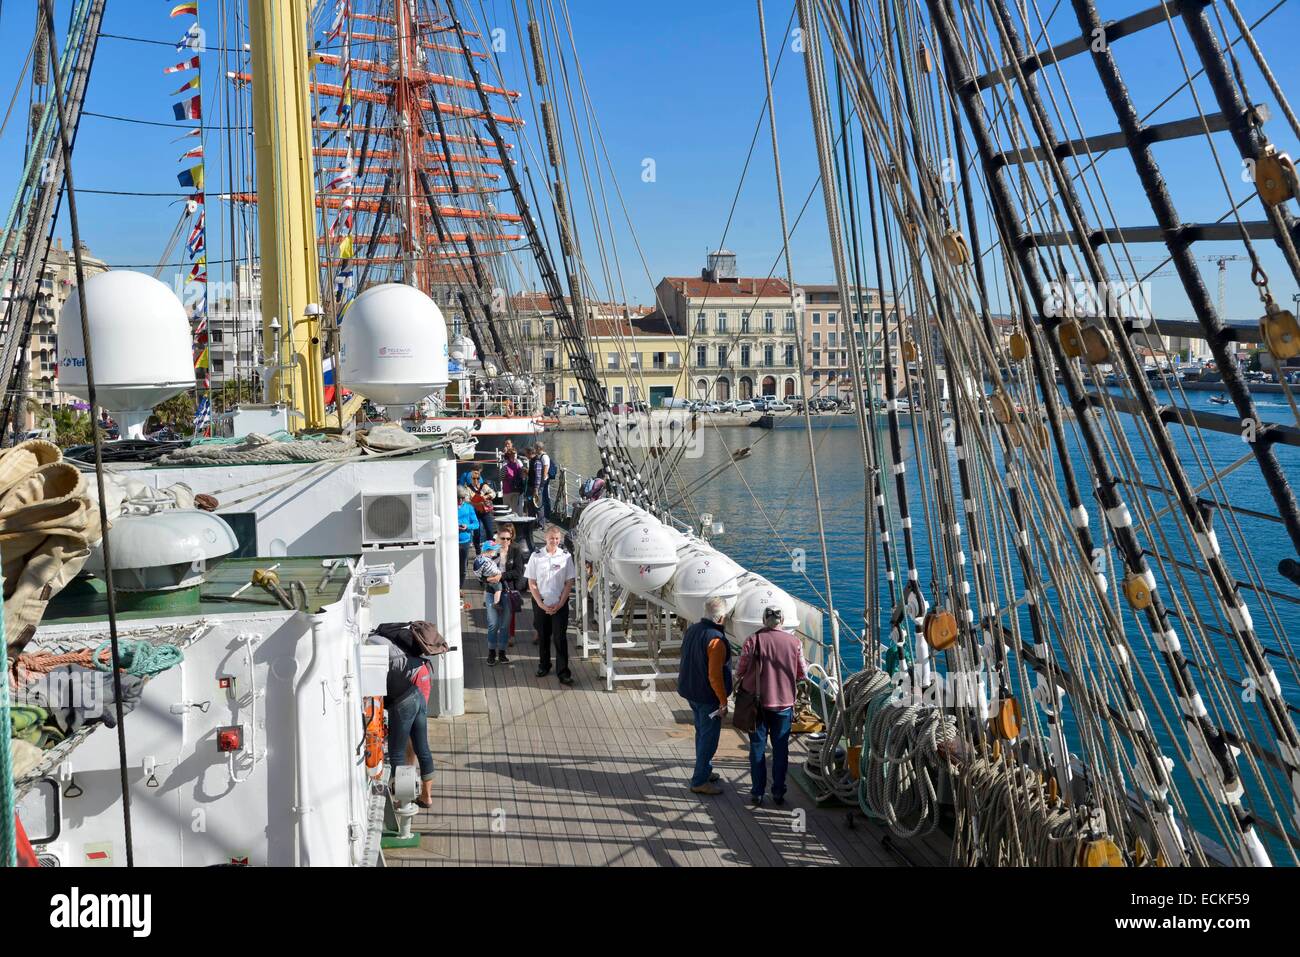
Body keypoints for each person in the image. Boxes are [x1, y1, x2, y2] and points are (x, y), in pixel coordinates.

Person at [734, 606, 807, 807]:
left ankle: (757, 792)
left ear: (764, 620)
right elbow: (803, 673)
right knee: (781, 749)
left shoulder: (753, 640)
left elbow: (740, 668)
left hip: (756, 704)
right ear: (782, 620)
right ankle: (778, 792)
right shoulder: (795, 642)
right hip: (783, 704)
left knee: (757, 748)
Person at [370, 631, 435, 807]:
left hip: (402, 704)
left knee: (396, 752)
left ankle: (403, 801)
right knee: (422, 748)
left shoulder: (369, 672)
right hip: (417, 695)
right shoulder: (382, 662)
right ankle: (426, 796)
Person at [677, 596, 732, 795]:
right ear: (721, 618)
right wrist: (723, 701)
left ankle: (705, 770)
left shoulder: (692, 630)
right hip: (708, 697)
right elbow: (715, 675)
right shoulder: (716, 640)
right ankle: (699, 780)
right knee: (709, 738)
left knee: (701, 733)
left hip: (691, 691)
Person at [525, 524, 576, 684]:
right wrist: (540, 604)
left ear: (560, 540)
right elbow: (531, 582)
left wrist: (560, 604)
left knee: (560, 638)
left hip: (559, 603)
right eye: (551, 538)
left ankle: (563, 671)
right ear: (545, 539)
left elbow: (569, 583)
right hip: (541, 603)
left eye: (557, 539)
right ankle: (544, 665)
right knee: (543, 636)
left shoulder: (566, 557)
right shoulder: (536, 556)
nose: (554, 541)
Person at [488, 527, 526, 662]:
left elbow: (518, 572)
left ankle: (502, 652)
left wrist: (501, 576)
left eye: (508, 539)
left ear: (511, 539)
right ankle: (491, 652)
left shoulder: (515, 551)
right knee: (493, 624)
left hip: (508, 590)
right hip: (491, 590)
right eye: (502, 538)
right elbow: (482, 569)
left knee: (504, 625)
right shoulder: (491, 551)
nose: (505, 541)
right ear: (497, 538)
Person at [456, 488, 479, 589]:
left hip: (465, 541)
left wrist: (467, 526)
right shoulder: (448, 507)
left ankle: (460, 588)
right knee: (453, 566)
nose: (460, 500)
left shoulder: (469, 507)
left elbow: (476, 524)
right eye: (458, 498)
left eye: (462, 498)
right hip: (452, 541)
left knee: (463, 568)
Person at [500, 447, 525, 516]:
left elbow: (501, 478)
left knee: (506, 509)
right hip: (517, 490)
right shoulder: (519, 463)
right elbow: (523, 476)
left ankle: (508, 524)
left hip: (507, 490)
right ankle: (516, 524)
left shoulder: (505, 465)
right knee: (516, 510)